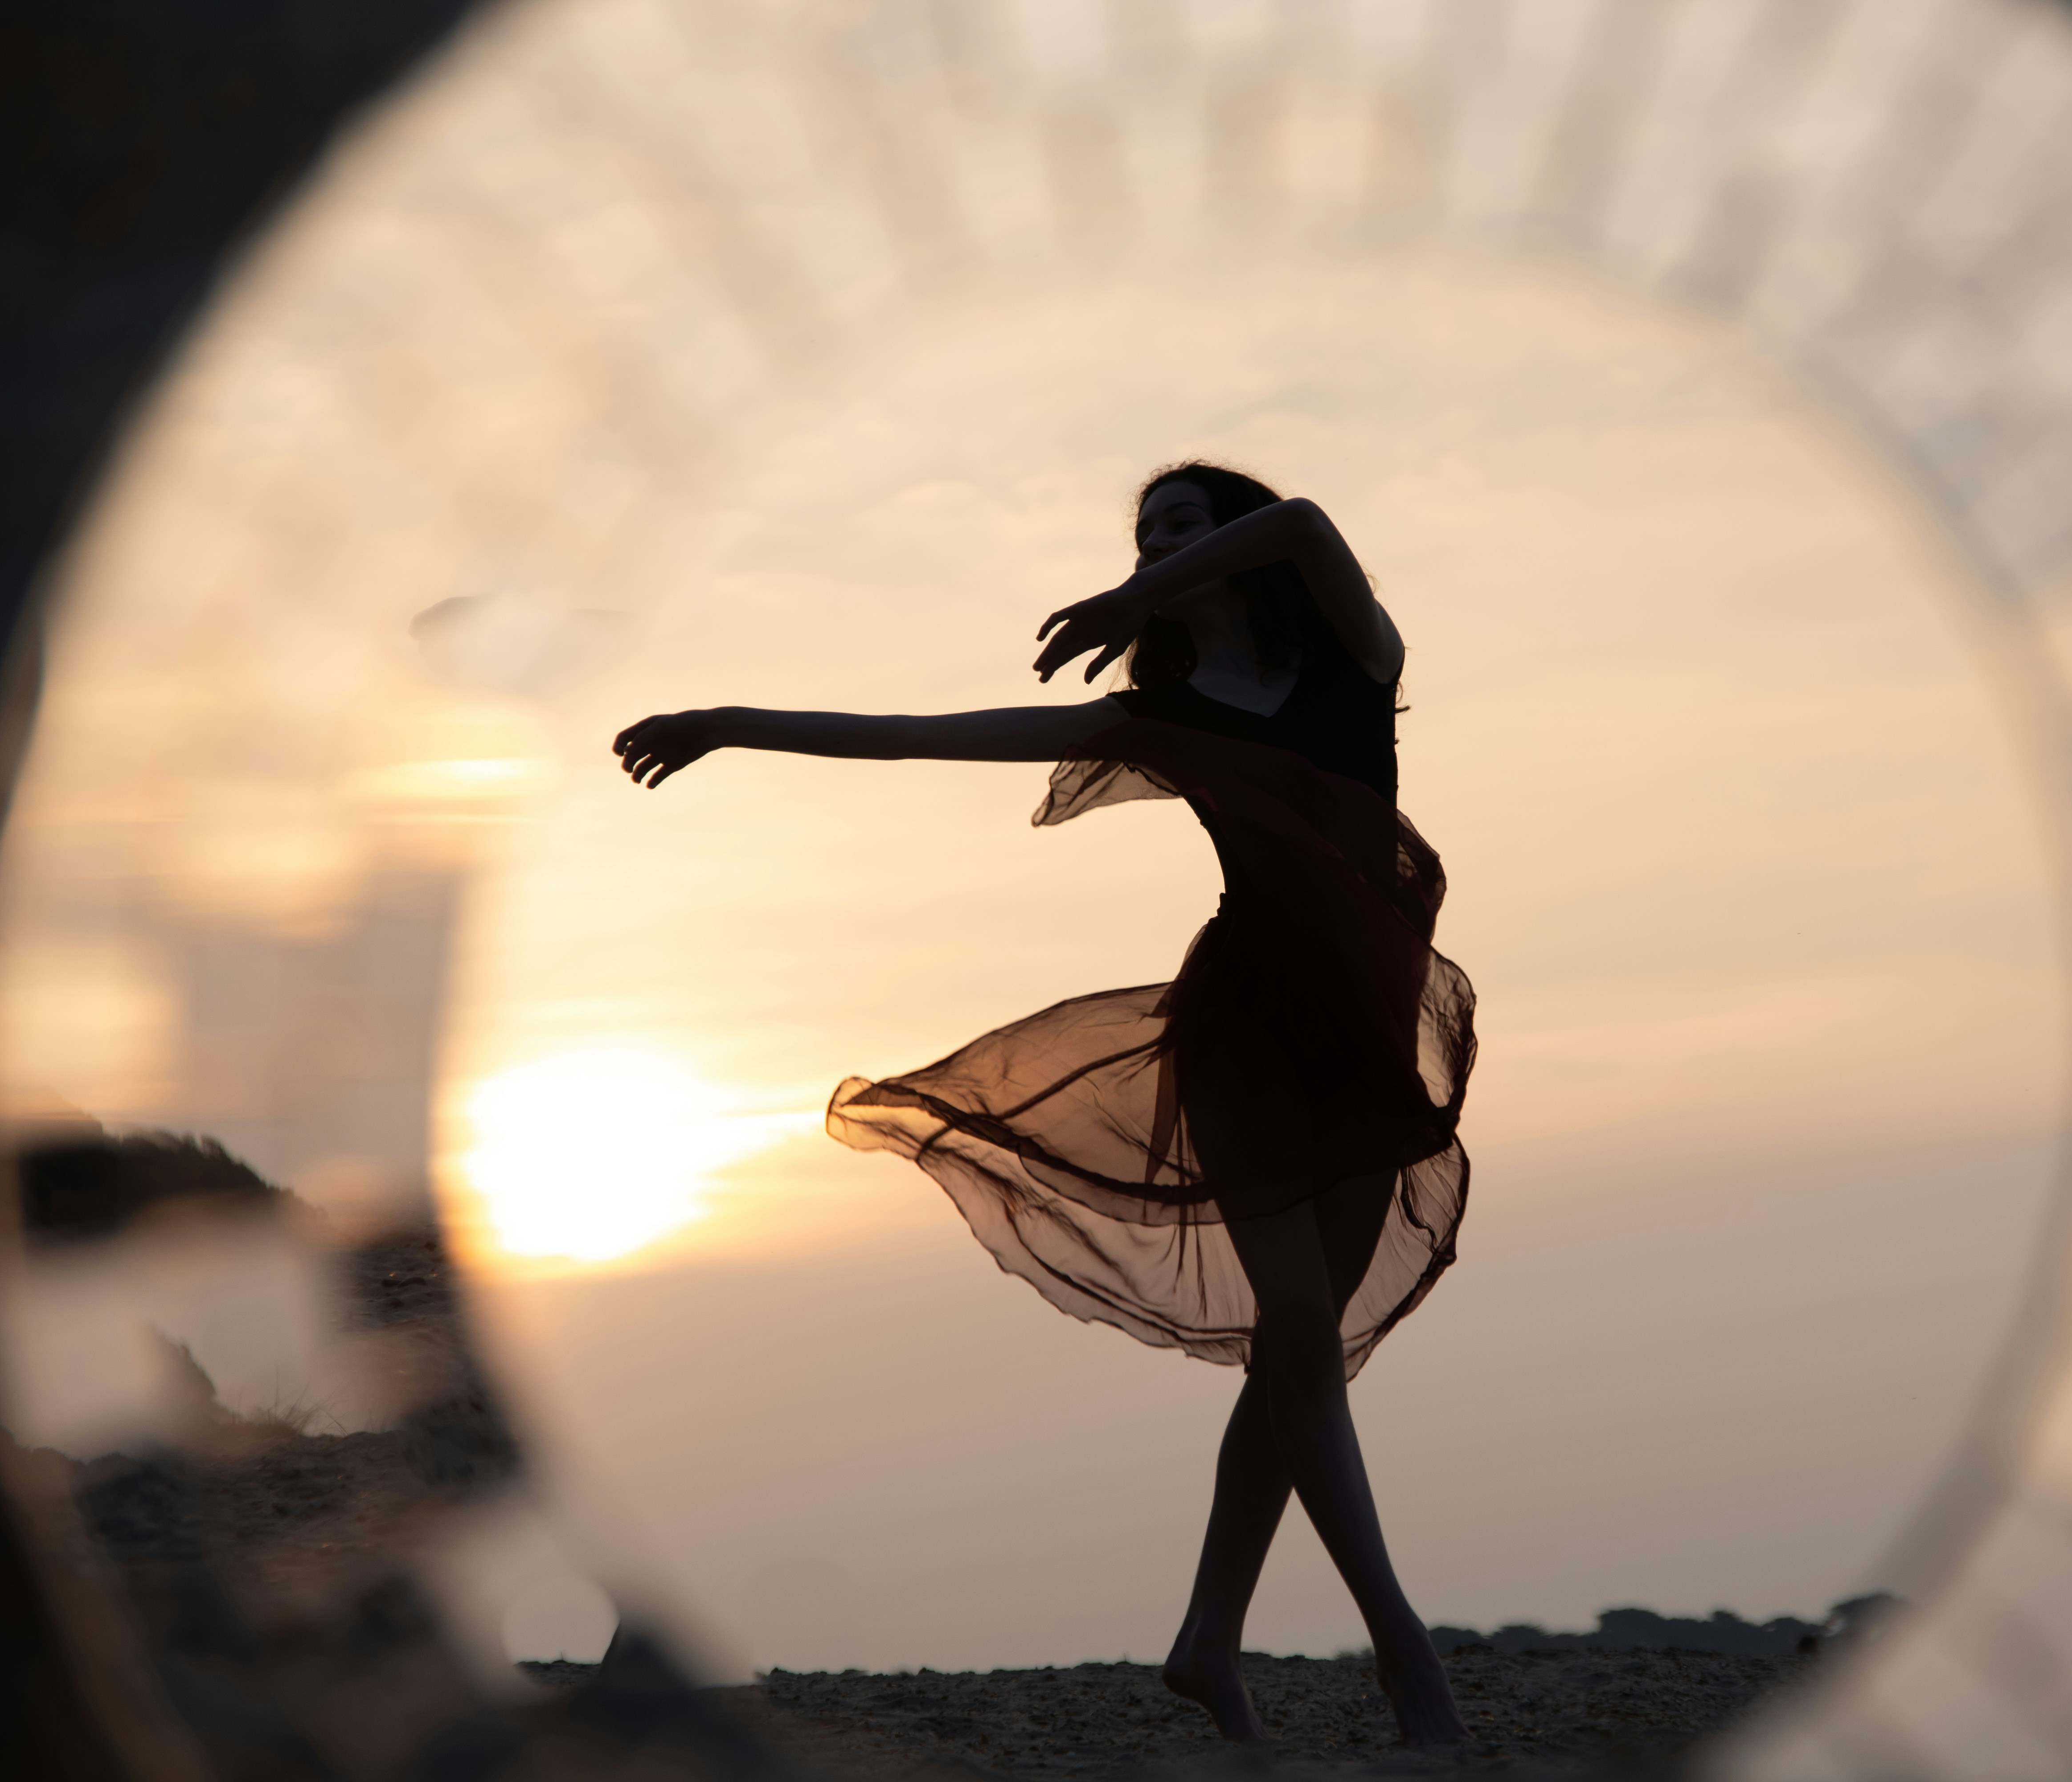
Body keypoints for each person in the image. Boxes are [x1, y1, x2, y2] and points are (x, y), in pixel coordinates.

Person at [612, 463, 1476, 1746]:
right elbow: (915, 734)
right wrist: (730, 718)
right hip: (1241, 1031)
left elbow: (1301, 523)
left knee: (1297, 1358)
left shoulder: (1358, 661)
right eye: (1143, 534)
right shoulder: (1160, 716)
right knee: (1297, 1324)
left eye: (1183, 528)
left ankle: (1204, 1642)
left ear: (1230, 544)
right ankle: (1406, 1651)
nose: (1161, 546)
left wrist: (1133, 591)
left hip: (1359, 1042)